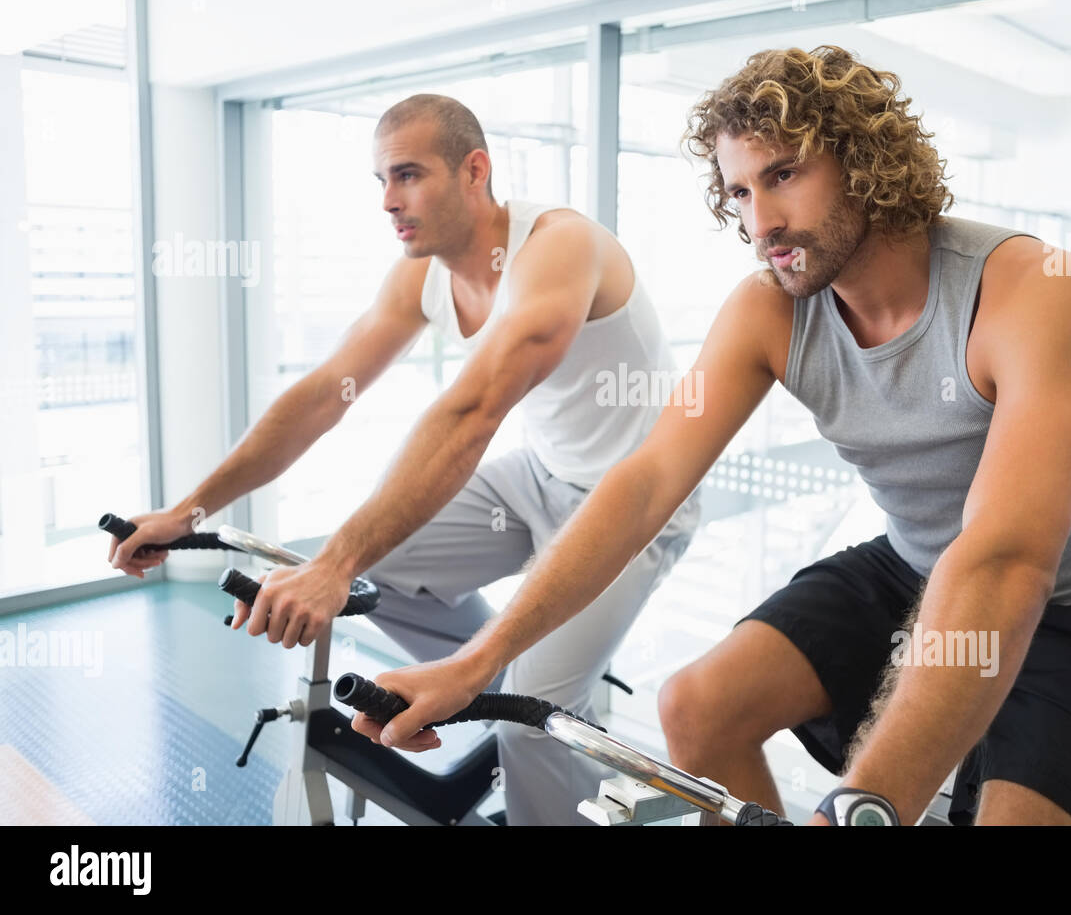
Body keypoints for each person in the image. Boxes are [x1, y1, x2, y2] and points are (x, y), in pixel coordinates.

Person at [353, 46, 1071, 827]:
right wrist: (473, 664)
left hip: (1066, 607)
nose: (761, 221)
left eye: (783, 175)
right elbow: (643, 484)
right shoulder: (768, 308)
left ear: (864, 161)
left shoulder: (1034, 289)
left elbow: (1005, 557)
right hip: (909, 568)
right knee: (698, 707)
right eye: (738, 192)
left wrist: (863, 804)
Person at [106, 93, 700, 825]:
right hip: (537, 479)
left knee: (526, 714)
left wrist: (331, 568)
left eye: (409, 175)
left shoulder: (560, 247)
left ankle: (522, 705)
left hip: (635, 504)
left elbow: (472, 413)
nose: (389, 201)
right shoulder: (422, 277)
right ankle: (490, 679)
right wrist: (188, 510)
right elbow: (326, 393)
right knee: (382, 568)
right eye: (381, 180)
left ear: (473, 170)